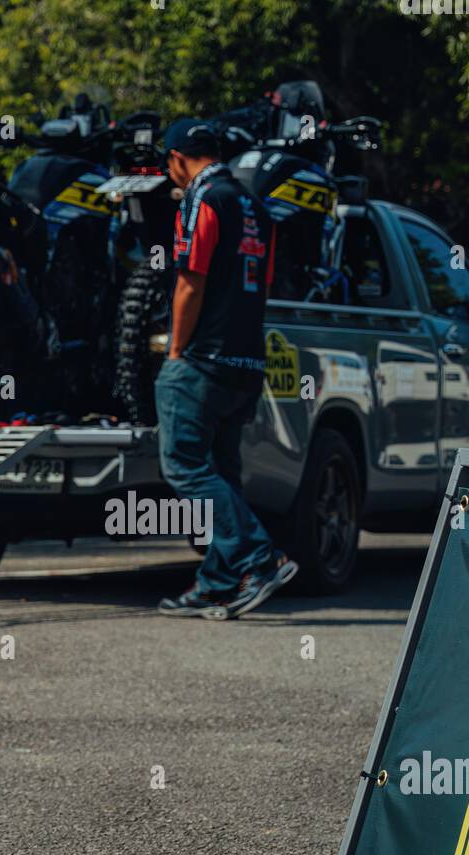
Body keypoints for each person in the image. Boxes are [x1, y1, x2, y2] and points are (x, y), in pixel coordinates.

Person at [155, 118, 297, 620]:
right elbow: (264, 281)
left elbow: (190, 278)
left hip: (204, 360)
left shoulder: (203, 197)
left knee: (184, 466)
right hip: (247, 360)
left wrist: (175, 350)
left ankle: (259, 558)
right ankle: (218, 581)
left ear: (177, 158)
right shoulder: (256, 203)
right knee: (222, 473)